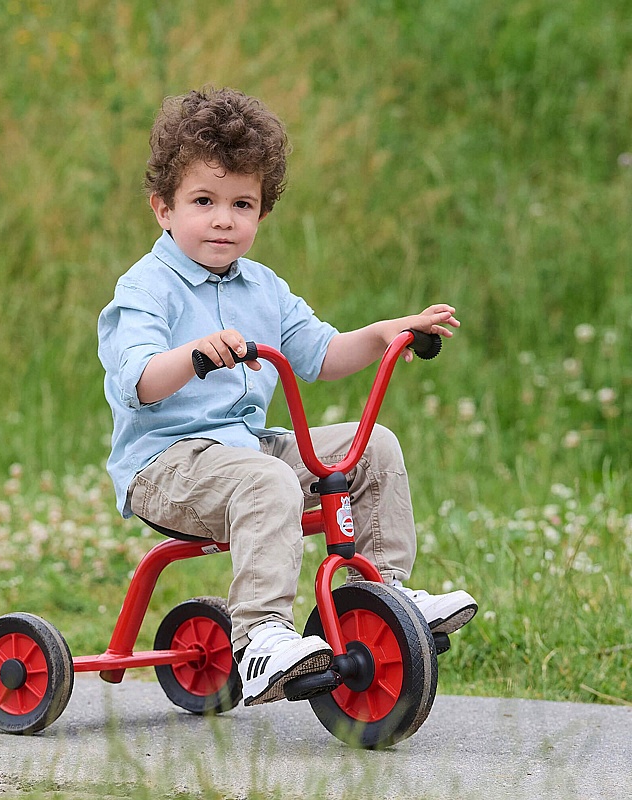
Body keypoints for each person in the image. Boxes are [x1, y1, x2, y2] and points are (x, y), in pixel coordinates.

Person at [98, 87, 477, 707]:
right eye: (203, 201)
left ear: (261, 214)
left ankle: (383, 592)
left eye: (241, 203)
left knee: (369, 446)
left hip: (247, 449)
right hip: (167, 465)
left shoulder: (264, 289)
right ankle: (259, 639)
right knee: (264, 480)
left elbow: (322, 356)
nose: (223, 218)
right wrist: (195, 355)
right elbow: (137, 380)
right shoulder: (146, 288)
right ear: (162, 208)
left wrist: (385, 332)